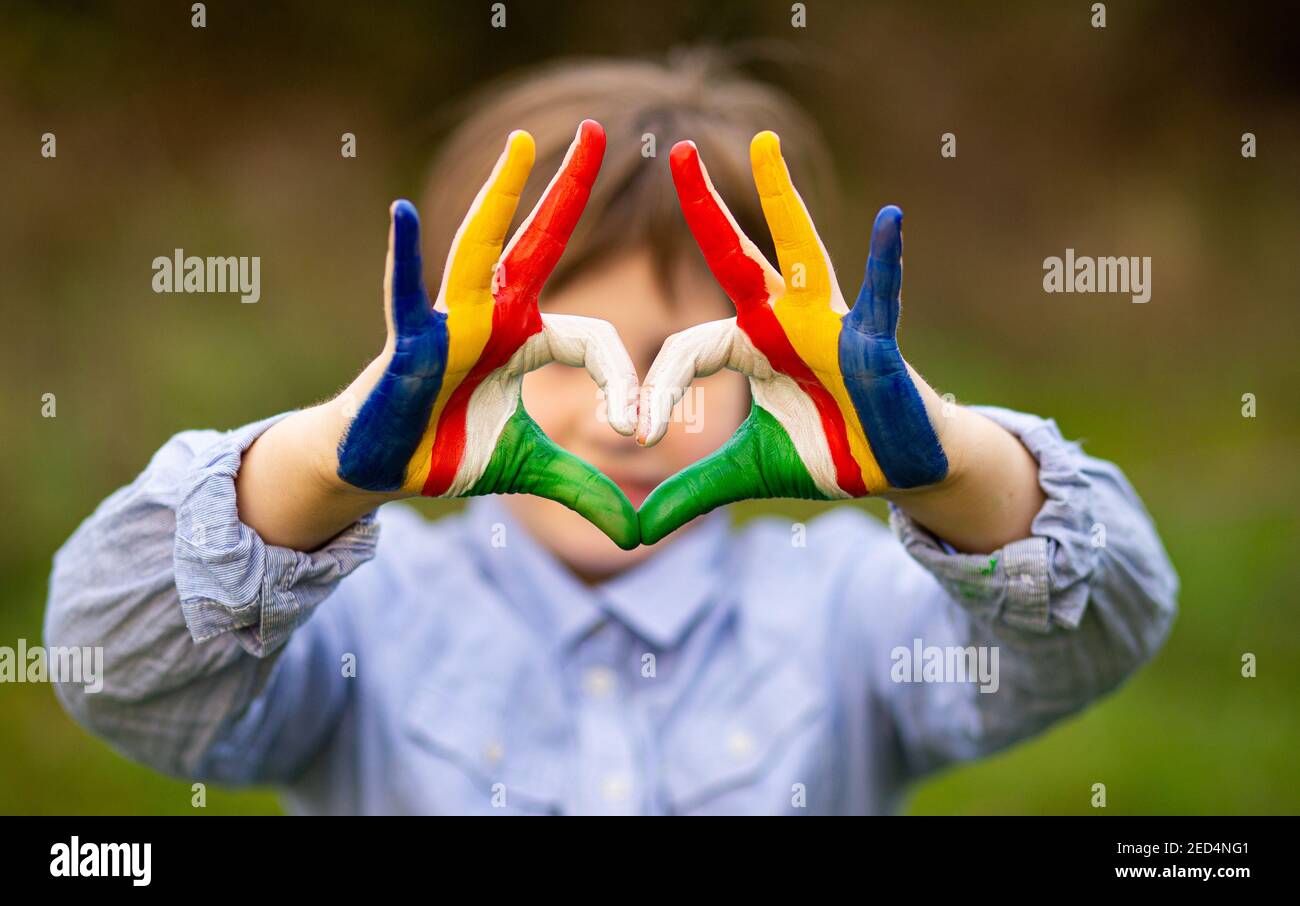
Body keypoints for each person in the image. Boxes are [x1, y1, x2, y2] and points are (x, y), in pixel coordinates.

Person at [44, 50, 1177, 815]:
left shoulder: (844, 613)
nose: (619, 407)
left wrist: (957, 466)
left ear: (770, 373)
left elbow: (1101, 632)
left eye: (686, 356)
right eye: (556, 355)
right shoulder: (362, 630)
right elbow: (113, 675)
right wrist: (317, 468)